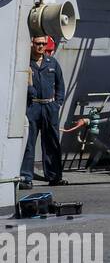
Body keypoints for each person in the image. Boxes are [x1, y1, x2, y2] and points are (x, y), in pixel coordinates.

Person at [21, 34, 66, 189]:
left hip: (49, 107)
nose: (40, 46)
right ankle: (26, 177)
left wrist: (57, 104)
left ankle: (54, 176)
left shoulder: (52, 63)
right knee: (29, 143)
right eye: (37, 43)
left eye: (43, 44)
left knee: (52, 142)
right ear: (32, 43)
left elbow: (60, 85)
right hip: (32, 107)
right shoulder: (25, 63)